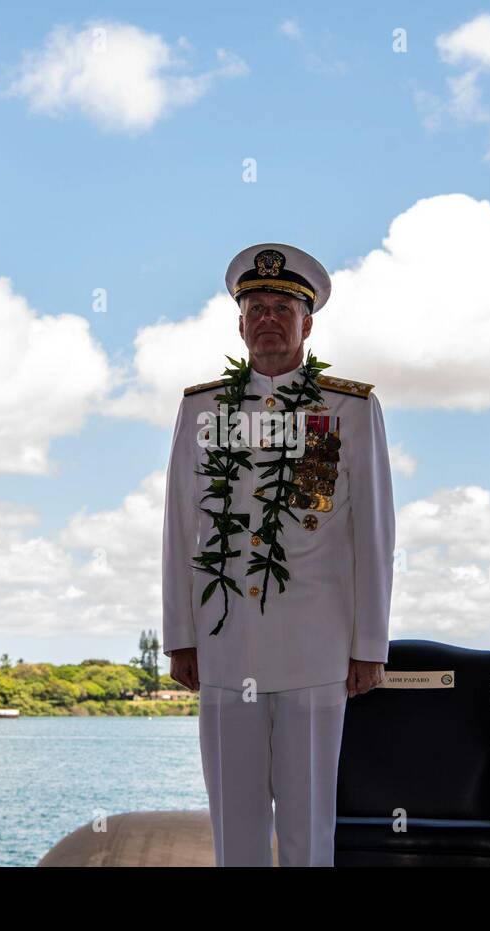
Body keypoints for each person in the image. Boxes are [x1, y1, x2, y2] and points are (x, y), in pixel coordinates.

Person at [162, 244, 396, 865]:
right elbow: (180, 528)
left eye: (282, 308)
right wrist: (180, 637)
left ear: (307, 323)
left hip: (317, 648)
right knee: (233, 827)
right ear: (239, 322)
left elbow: (373, 533)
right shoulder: (201, 409)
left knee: (310, 826)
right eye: (255, 307)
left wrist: (368, 645)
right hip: (223, 642)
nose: (268, 318)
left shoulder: (347, 409)